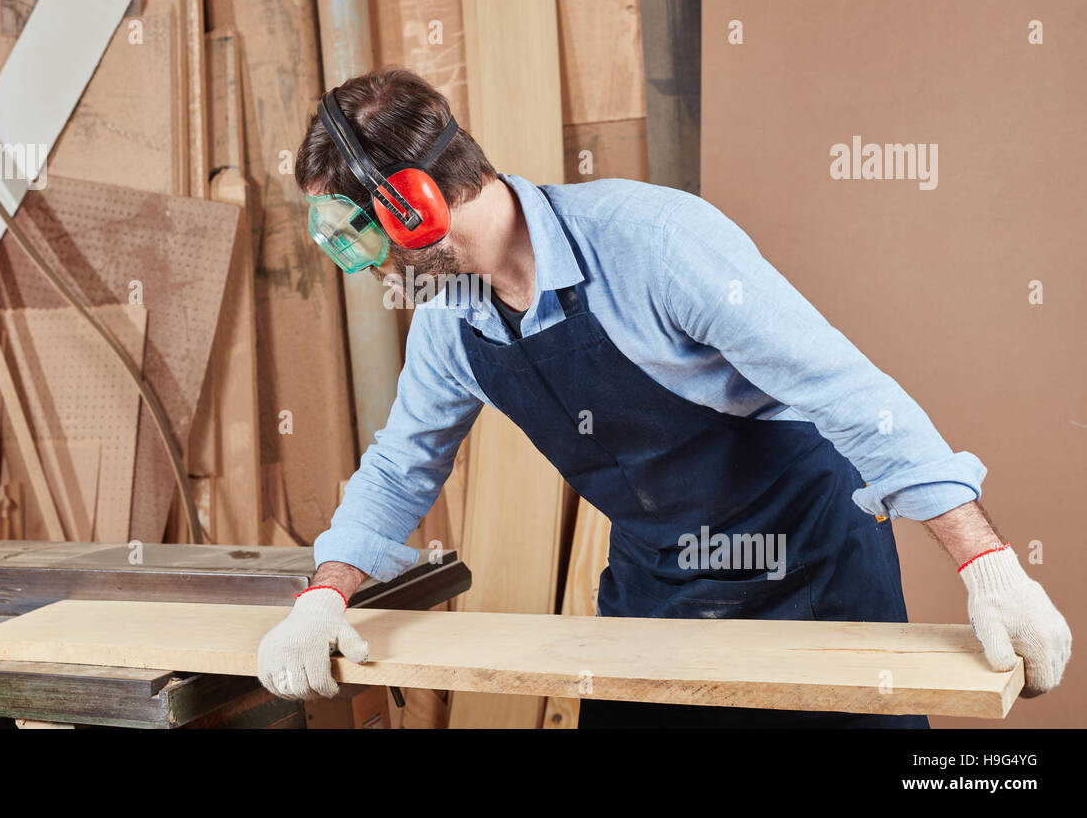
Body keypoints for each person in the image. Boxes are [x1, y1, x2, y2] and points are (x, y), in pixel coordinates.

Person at [255, 68, 1070, 727]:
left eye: (363, 232)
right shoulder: (452, 325)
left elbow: (848, 393)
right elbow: (402, 467)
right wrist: (325, 594)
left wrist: (989, 565)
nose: (372, 265)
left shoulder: (651, 243)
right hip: (658, 586)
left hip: (809, 571)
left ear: (411, 203)